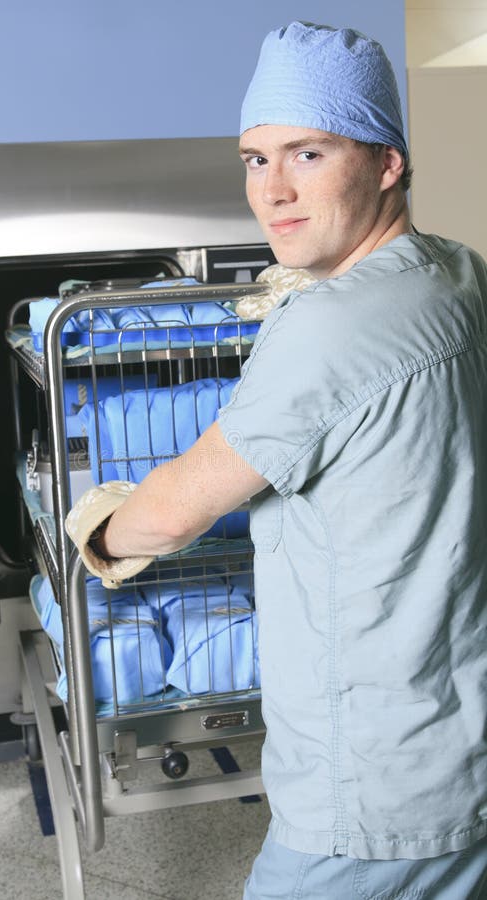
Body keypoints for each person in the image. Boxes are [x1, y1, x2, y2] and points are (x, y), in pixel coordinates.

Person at [66, 21, 487, 899]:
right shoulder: (456, 272)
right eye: (256, 159)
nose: (274, 191)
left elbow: (179, 507)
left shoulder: (329, 326)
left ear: (386, 161)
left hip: (374, 783)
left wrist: (103, 529)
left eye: (308, 153)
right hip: (459, 735)